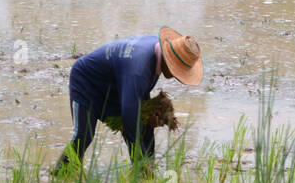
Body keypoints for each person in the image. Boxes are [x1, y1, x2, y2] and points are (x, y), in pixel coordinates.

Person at [54, 26, 202, 173]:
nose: (176, 76)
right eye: (177, 71)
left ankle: (147, 171)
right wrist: (140, 162)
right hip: (87, 82)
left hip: (118, 82)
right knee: (84, 136)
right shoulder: (138, 70)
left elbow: (139, 119)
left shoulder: (155, 51)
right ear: (167, 59)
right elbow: (129, 120)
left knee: (145, 123)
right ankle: (60, 174)